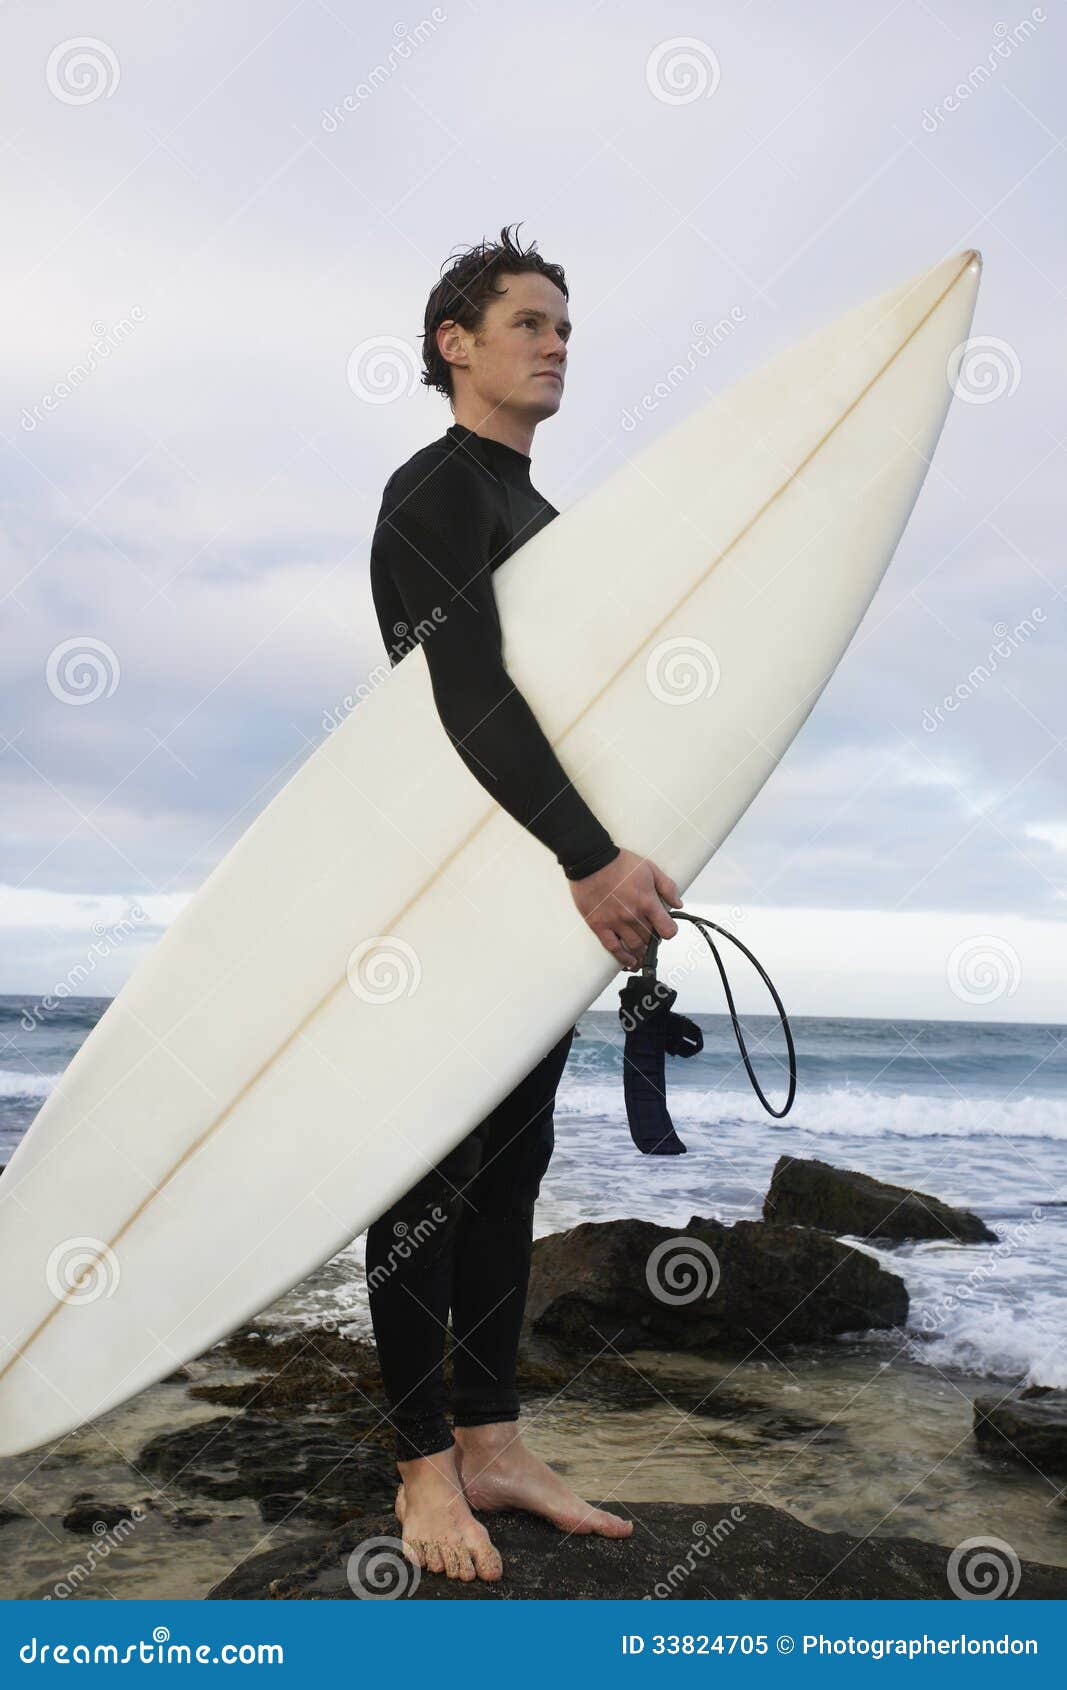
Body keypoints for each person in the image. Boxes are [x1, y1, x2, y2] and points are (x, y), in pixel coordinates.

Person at [366, 223, 682, 1584]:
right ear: (457, 344)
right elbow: (467, 693)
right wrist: (587, 853)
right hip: (457, 875)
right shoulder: (436, 491)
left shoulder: (546, 518)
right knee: (429, 1175)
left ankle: (492, 1436)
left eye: (566, 328)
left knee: (511, 1170)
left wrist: (622, 846)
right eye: (530, 323)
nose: (557, 346)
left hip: (537, 881)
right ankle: (421, 1468)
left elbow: (577, 714)